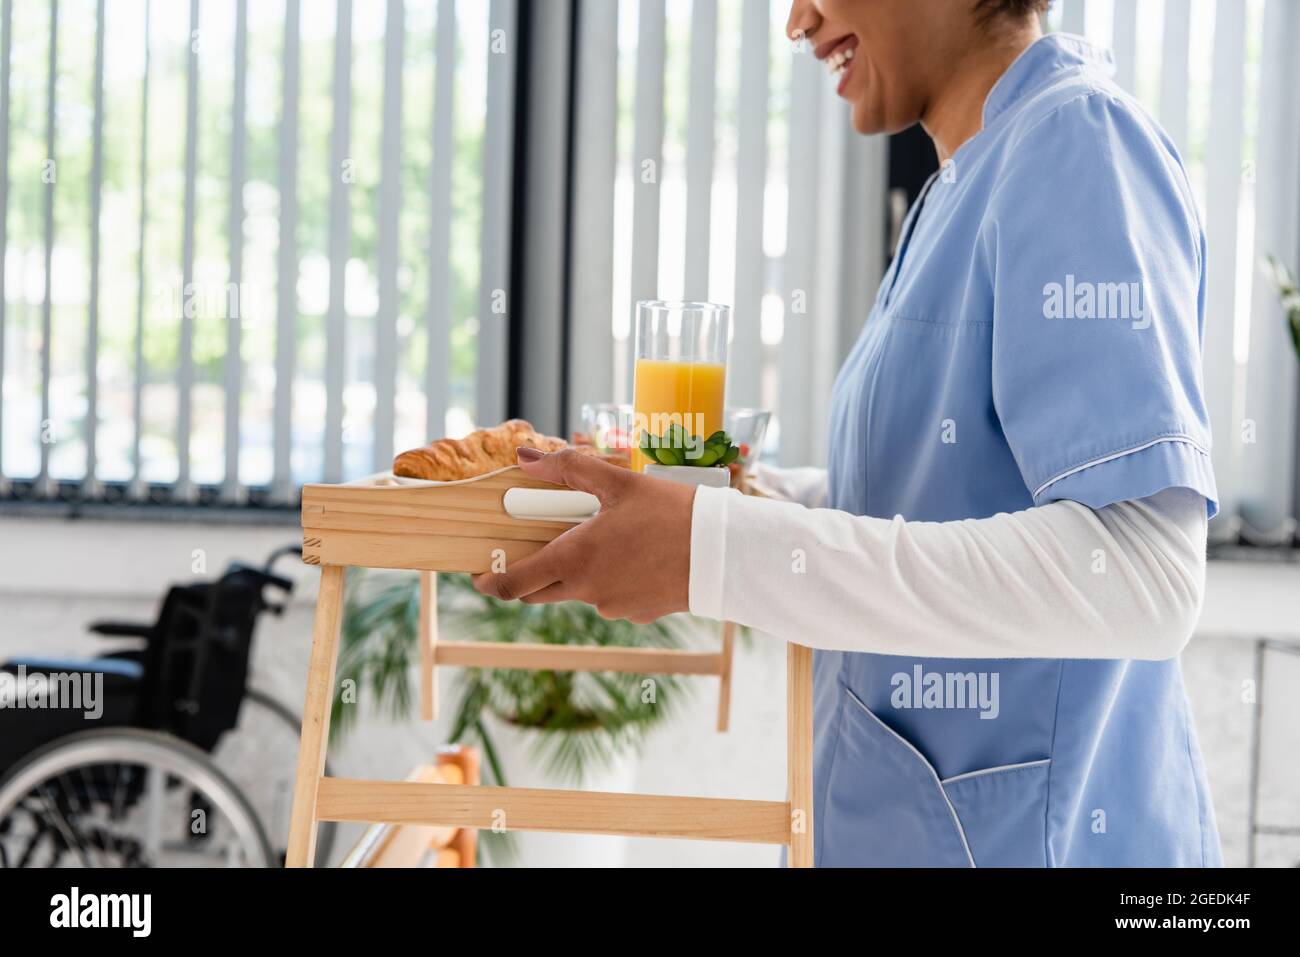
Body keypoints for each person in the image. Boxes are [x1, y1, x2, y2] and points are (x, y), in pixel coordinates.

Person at [475, 0, 1221, 867]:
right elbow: (926, 498)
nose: (797, 20)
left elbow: (1142, 573)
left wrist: (714, 548)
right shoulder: (959, 185)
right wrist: (729, 502)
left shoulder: (1078, 142)